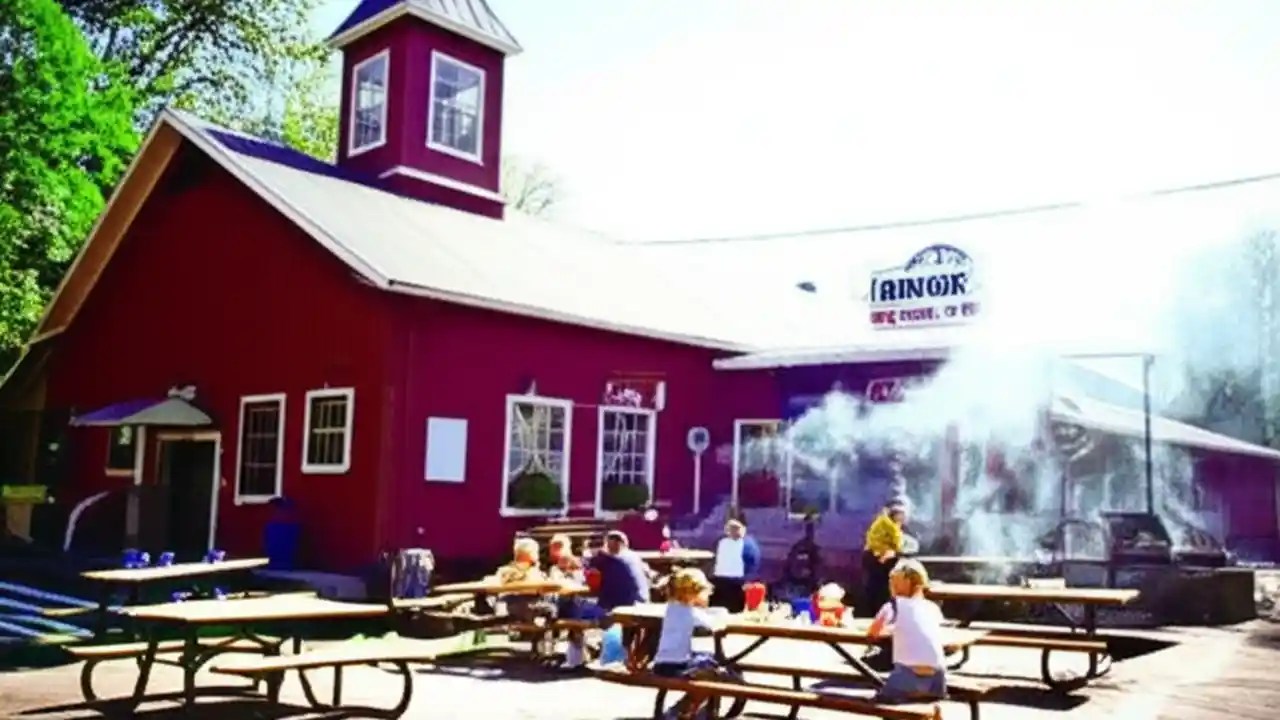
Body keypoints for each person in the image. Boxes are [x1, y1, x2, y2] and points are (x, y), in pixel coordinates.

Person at [653, 568, 732, 719]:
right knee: (715, 672)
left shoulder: (673, 608)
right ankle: (686, 711)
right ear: (692, 593)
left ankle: (686, 709)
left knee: (708, 660)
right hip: (677, 666)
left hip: (661, 664)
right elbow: (717, 625)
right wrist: (721, 615)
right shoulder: (690, 613)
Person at [867, 560, 948, 703]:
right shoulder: (932, 608)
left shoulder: (893, 606)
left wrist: (890, 632)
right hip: (938, 679)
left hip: (907, 677)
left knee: (879, 703)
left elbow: (872, 633)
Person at [547, 534, 603, 672]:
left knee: (571, 613)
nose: (557, 550)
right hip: (563, 605)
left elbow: (583, 586)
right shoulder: (554, 569)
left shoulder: (577, 565)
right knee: (556, 610)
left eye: (559, 546)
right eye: (554, 547)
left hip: (574, 604)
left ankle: (577, 655)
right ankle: (576, 655)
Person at [861, 502, 906, 616]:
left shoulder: (884, 523)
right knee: (880, 592)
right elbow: (897, 544)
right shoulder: (888, 526)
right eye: (900, 515)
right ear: (894, 515)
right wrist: (891, 552)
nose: (903, 518)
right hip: (878, 559)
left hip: (877, 559)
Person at [590, 530, 652, 610]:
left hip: (630, 603)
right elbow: (648, 573)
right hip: (643, 599)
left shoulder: (614, 560)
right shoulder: (635, 556)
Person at [711, 519, 760, 612]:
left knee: (734, 607)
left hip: (737, 582)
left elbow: (752, 562)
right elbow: (716, 557)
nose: (732, 532)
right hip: (720, 579)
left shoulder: (748, 544)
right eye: (730, 529)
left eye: (735, 529)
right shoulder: (722, 542)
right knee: (718, 607)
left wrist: (748, 579)